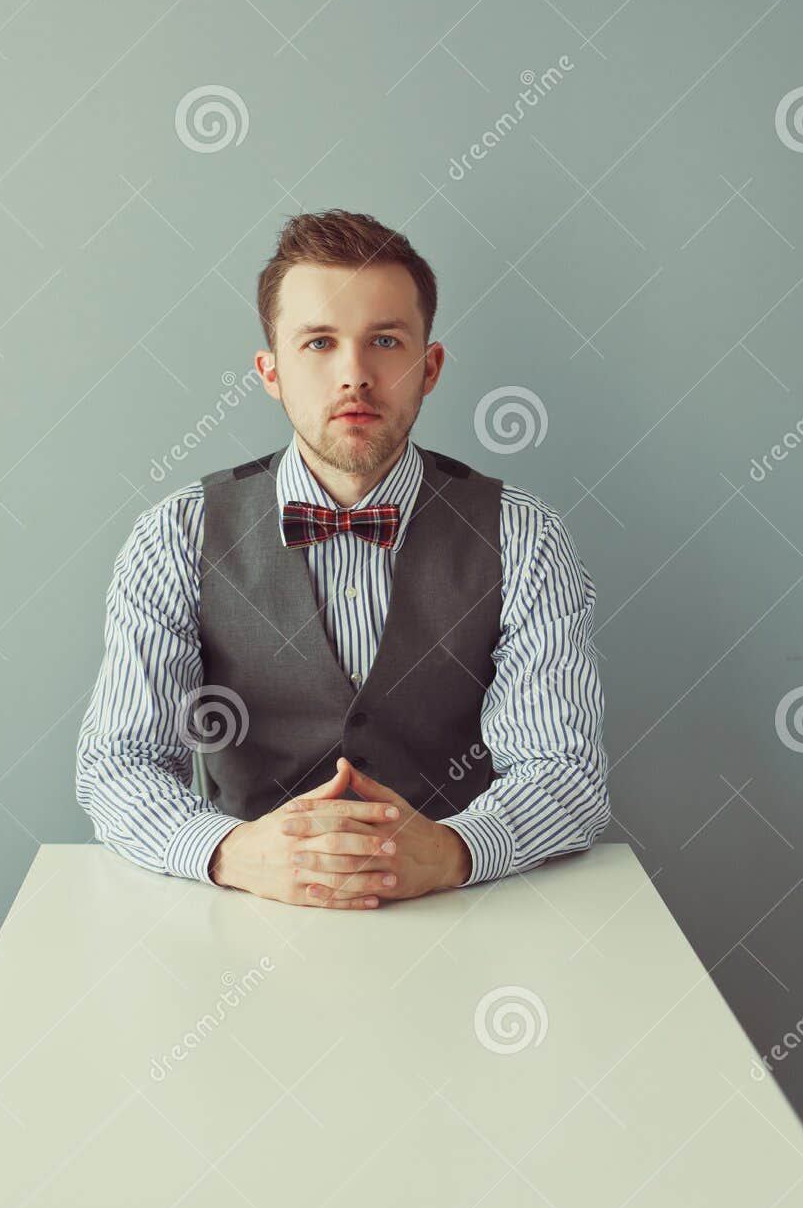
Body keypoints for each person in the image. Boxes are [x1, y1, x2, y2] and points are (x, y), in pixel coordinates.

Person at [76, 209, 611, 910]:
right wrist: (230, 852)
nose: (354, 374)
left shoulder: (524, 536)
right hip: (241, 920)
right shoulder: (176, 534)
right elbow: (120, 763)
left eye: (384, 341)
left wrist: (454, 851)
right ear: (270, 370)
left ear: (430, 366)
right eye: (319, 343)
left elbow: (566, 771)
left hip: (469, 919)